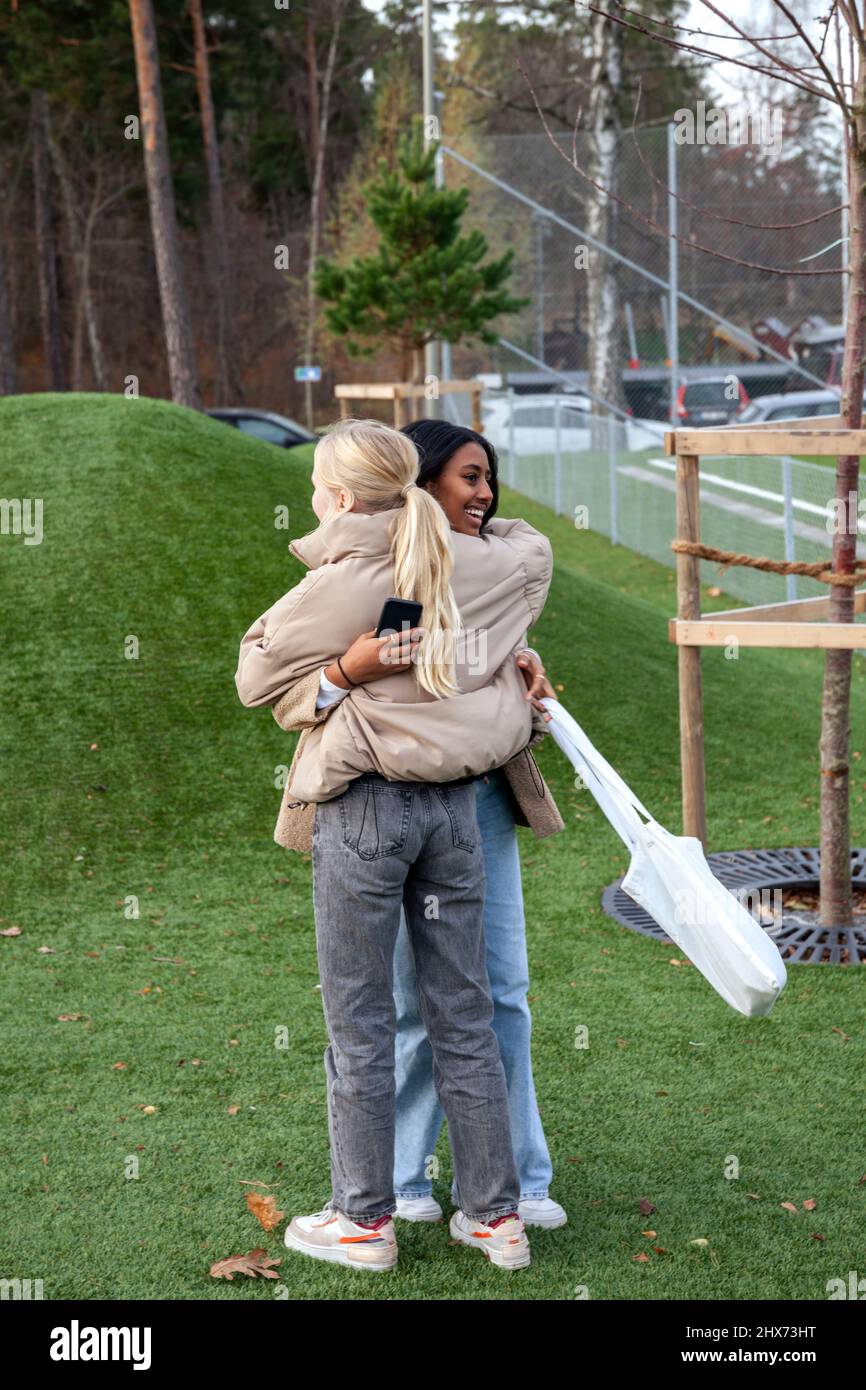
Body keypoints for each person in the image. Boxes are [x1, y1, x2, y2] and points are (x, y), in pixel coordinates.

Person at [234, 417, 554, 1273]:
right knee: (466, 1013)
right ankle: (496, 1218)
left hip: (368, 813)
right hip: (458, 815)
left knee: (362, 1019)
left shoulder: (345, 580)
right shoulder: (489, 562)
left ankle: (364, 1222)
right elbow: (529, 549)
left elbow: (254, 676)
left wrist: (343, 671)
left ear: (338, 496)